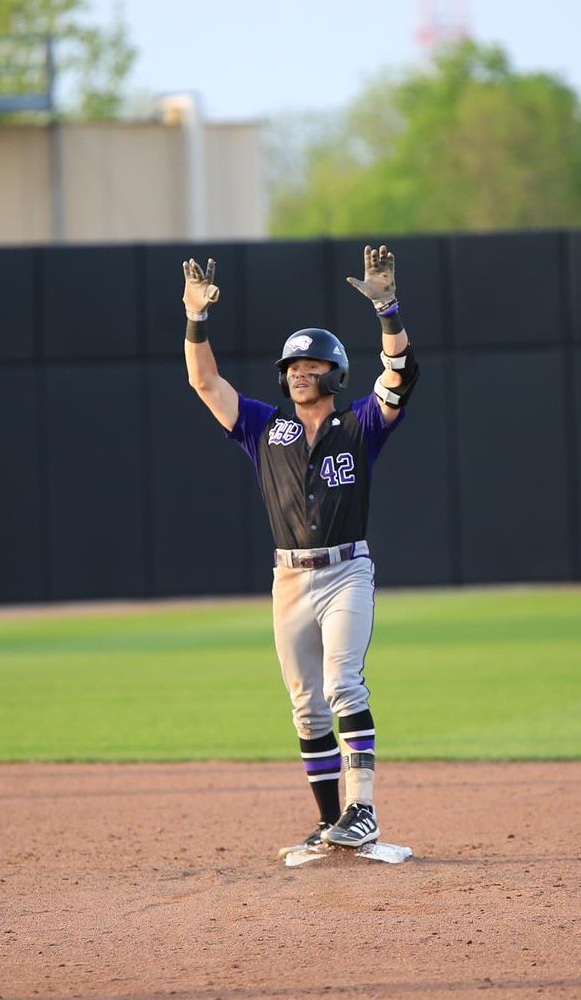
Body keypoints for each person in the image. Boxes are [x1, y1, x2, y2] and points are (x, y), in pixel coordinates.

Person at [181, 245, 421, 855]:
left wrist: (387, 310)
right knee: (307, 709)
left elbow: (400, 377)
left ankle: (361, 809)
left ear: (335, 373)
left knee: (344, 684)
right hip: (289, 578)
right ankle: (327, 822)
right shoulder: (265, 428)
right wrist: (196, 319)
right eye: (292, 364)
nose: (298, 371)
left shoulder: (360, 425)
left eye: (312, 363)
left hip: (346, 571)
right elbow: (204, 381)